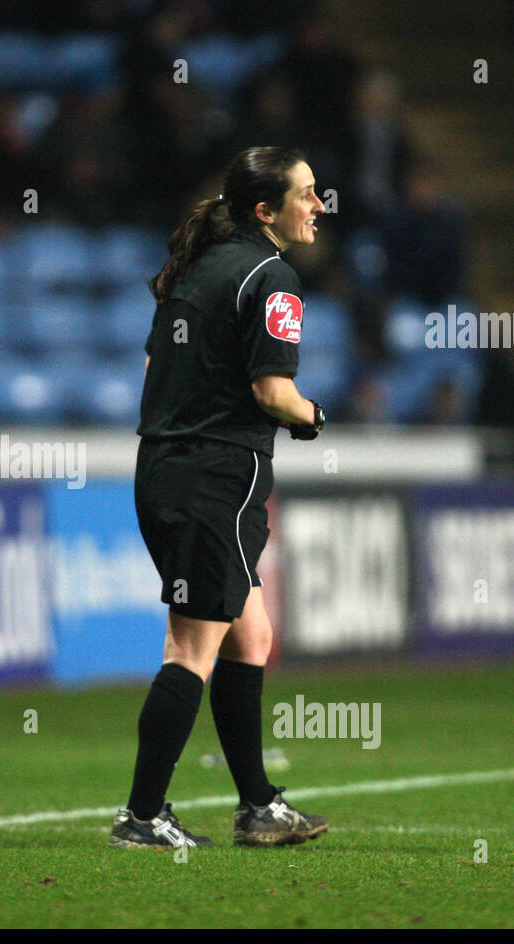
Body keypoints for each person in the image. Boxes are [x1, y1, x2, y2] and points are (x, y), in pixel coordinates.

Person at [114, 146, 331, 849]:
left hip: (163, 466)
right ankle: (142, 815)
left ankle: (258, 805)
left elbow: (155, 364)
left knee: (252, 633)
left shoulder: (195, 270)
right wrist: (313, 416)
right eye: (306, 194)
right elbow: (275, 393)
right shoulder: (273, 277)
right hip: (218, 476)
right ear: (265, 211)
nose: (319, 205)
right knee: (191, 645)